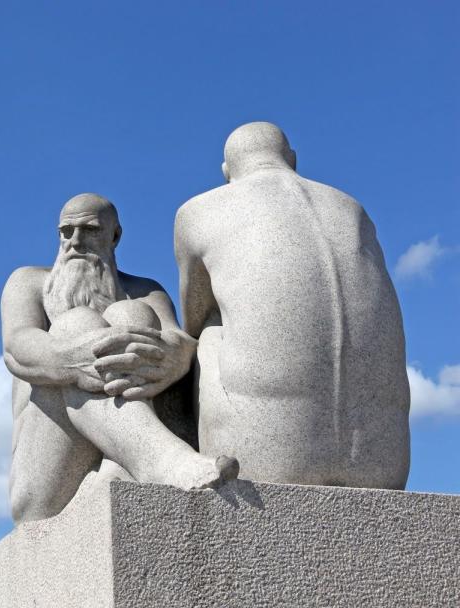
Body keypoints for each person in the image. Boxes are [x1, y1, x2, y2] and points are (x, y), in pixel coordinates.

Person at [174, 122, 410, 489]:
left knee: (210, 329)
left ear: (226, 172)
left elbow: (194, 315)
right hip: (384, 464)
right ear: (293, 160)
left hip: (262, 463)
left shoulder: (197, 211)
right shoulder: (352, 209)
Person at [1, 194, 237, 523]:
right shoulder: (29, 283)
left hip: (117, 473)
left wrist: (172, 355)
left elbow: (181, 341)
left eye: (90, 230)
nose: (76, 241)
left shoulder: (145, 291)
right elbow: (17, 348)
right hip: (45, 482)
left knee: (131, 313)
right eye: (66, 231)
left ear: (115, 236)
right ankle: (161, 460)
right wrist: (76, 357)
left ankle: (129, 464)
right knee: (75, 323)